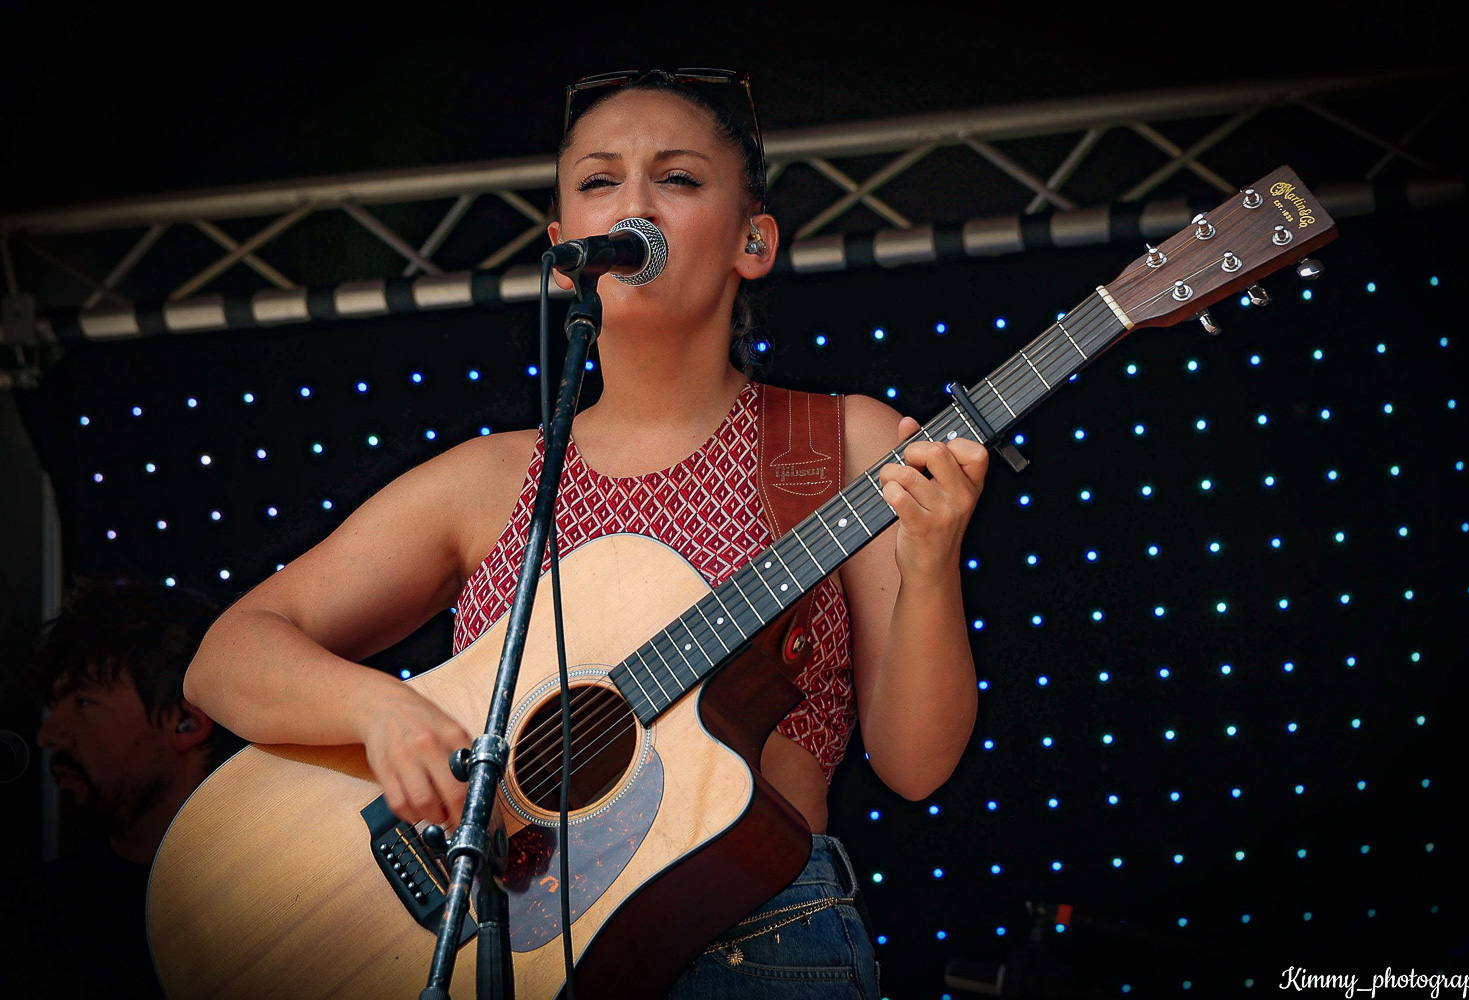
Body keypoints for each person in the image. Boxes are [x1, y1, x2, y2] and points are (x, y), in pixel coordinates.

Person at [183, 69, 986, 998]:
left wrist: (930, 568)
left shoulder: (843, 442)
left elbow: (918, 764)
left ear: (753, 240)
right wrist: (383, 714)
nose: (634, 203)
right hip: (495, 945)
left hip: (758, 941)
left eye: (678, 179)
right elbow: (226, 658)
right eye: (600, 183)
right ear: (566, 250)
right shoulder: (491, 478)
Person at [0, 575, 239, 1000]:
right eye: (54, 706)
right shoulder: (37, 918)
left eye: (85, 703)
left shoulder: (281, 894)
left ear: (186, 722)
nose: (48, 735)